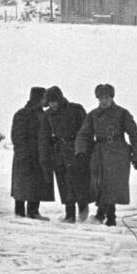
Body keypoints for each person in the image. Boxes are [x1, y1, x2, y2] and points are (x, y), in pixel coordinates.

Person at [74, 83, 137, 227]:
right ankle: (110, 217)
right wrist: (80, 151)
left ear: (112, 97)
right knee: (102, 186)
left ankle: (101, 215)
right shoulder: (93, 115)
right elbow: (83, 134)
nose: (104, 101)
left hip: (118, 153)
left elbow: (135, 135)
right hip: (99, 154)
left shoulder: (122, 113)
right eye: (101, 98)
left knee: (111, 185)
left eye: (107, 97)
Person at [38, 86, 89, 222]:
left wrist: (84, 150)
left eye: (55, 101)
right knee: (64, 183)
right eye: (50, 102)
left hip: (76, 150)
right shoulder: (47, 115)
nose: (53, 104)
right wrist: (45, 157)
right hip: (59, 152)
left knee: (78, 182)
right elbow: (44, 137)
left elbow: (86, 131)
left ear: (60, 99)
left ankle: (83, 209)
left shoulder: (76, 109)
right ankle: (70, 214)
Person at [10, 86, 52, 219]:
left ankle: (33, 211)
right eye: (45, 98)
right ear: (39, 99)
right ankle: (20, 212)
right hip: (26, 155)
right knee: (23, 184)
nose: (47, 101)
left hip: (38, 154)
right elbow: (17, 136)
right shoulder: (23, 113)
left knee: (36, 184)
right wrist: (24, 153)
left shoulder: (43, 114)